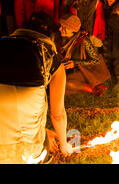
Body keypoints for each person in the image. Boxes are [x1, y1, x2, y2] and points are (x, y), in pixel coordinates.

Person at [0, 12, 72, 163]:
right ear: (51, 37)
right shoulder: (50, 56)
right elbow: (58, 114)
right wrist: (64, 145)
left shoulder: (3, 43)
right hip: (24, 135)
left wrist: (44, 132)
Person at [59, 14, 109, 96]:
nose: (60, 29)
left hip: (86, 70)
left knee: (66, 84)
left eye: (63, 27)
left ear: (72, 30)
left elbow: (95, 60)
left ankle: (92, 89)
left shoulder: (84, 41)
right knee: (58, 85)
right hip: (73, 70)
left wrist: (74, 63)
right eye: (61, 26)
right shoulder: (61, 38)